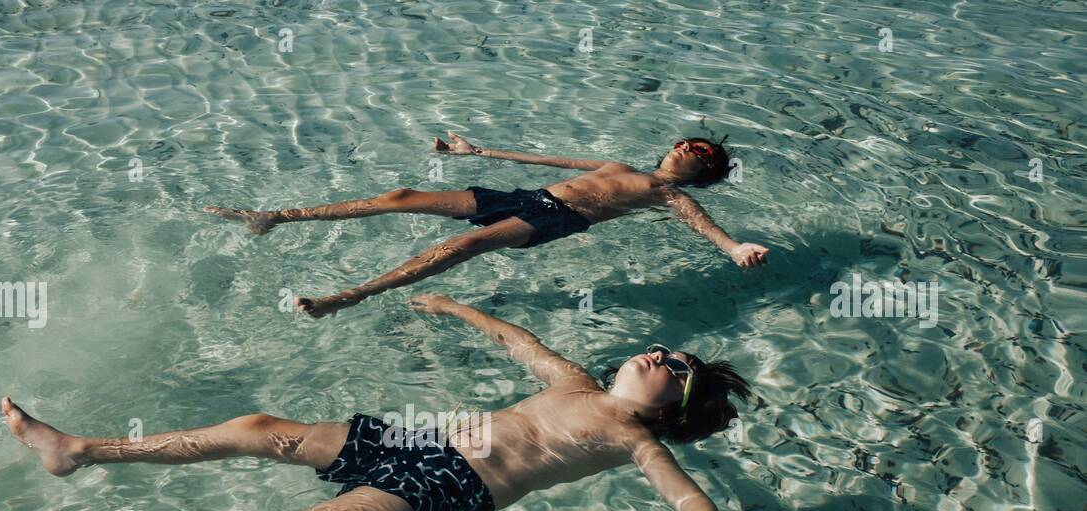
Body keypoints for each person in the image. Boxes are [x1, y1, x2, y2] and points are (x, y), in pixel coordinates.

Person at [4, 294, 751, 511]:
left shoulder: (631, 439)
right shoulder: (576, 383)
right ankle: (79, 451)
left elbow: (695, 507)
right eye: (671, 351)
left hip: (445, 488)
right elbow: (519, 343)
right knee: (256, 430)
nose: (664, 357)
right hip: (417, 439)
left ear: (670, 414)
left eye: (677, 372)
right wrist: (456, 307)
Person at [206, 132, 770, 316]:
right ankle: (274, 217)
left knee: (462, 246)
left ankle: (347, 297)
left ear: (704, 170)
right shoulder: (620, 166)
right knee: (400, 195)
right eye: (686, 140)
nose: (684, 147)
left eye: (699, 150)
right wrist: (472, 150)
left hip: (557, 218)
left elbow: (700, 221)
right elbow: (551, 163)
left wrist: (733, 247)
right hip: (525, 194)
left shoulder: (669, 195)